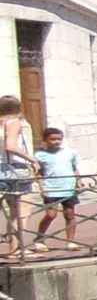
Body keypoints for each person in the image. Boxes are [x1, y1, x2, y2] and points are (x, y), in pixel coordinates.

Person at [28, 125, 79, 252]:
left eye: (59, 139)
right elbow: (38, 173)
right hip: (51, 188)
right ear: (45, 140)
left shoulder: (69, 153)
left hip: (68, 187)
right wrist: (42, 188)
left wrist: (79, 180)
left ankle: (71, 241)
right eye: (52, 139)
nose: (56, 142)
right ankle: (39, 238)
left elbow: (74, 167)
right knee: (51, 214)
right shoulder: (40, 155)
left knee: (70, 214)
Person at [0, 95, 32, 256]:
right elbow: (11, 146)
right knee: (22, 210)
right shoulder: (13, 123)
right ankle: (16, 248)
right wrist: (31, 159)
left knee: (12, 211)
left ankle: (14, 248)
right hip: (13, 170)